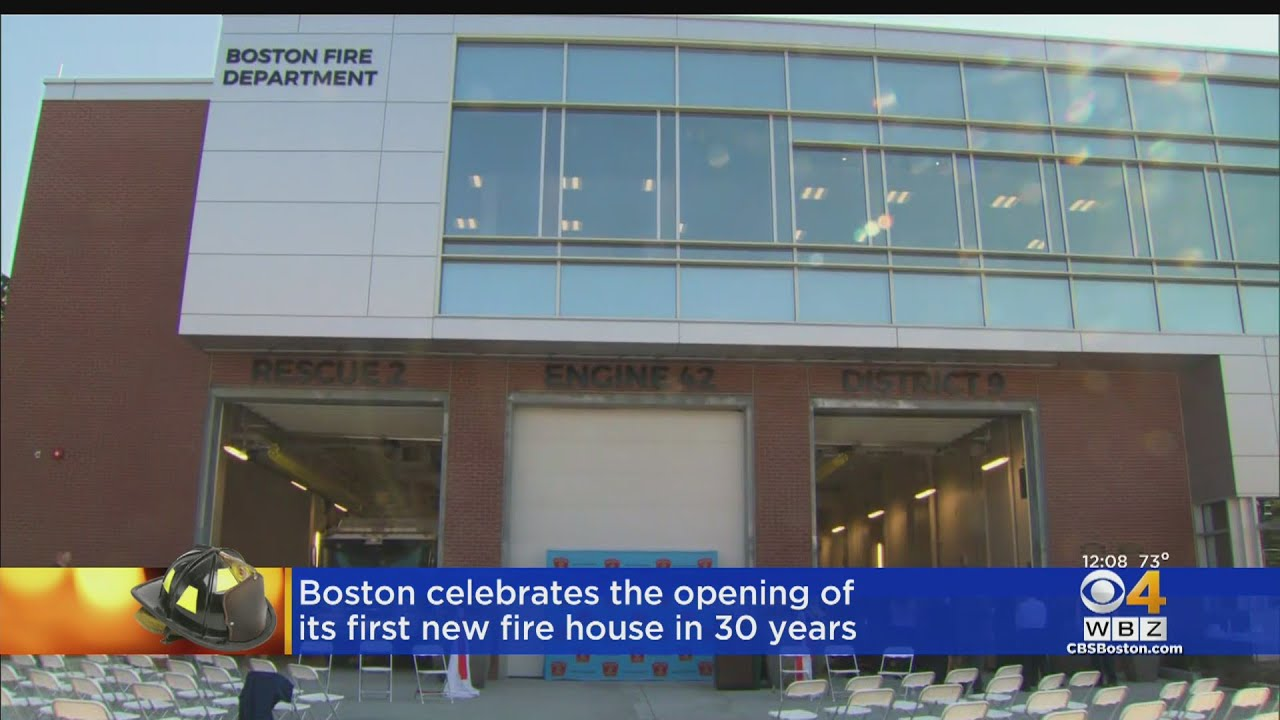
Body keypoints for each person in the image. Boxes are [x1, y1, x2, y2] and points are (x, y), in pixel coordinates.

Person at [1013, 593, 1048, 685]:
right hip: (1039, 632)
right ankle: (1045, 681)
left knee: (1027, 660)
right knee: (1041, 660)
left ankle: (1027, 683)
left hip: (1026, 633)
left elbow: (1018, 620)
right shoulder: (1041, 604)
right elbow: (1044, 619)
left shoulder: (1021, 606)